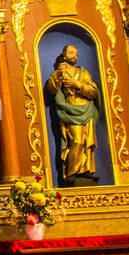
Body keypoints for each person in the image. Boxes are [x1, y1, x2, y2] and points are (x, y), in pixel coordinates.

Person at [44, 44, 100, 183]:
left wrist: (78, 85)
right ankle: (71, 173)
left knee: (87, 141)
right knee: (77, 140)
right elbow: (51, 89)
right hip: (71, 109)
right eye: (71, 52)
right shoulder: (60, 72)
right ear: (64, 55)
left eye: (76, 53)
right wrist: (58, 75)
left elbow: (93, 92)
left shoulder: (84, 73)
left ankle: (86, 170)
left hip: (86, 109)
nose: (74, 55)